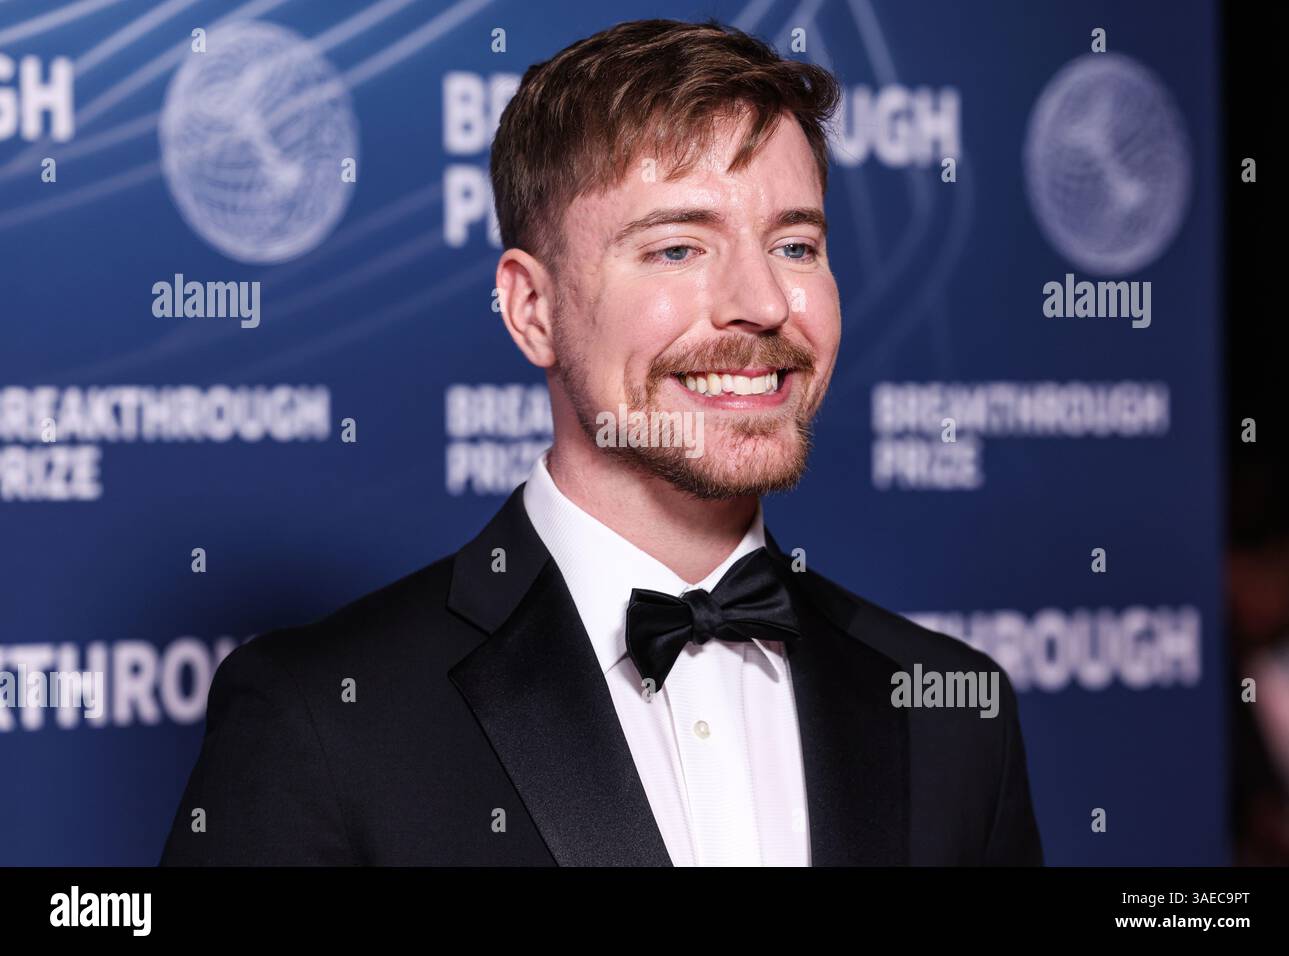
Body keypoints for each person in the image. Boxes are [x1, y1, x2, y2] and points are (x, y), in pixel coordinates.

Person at [160, 18, 1042, 867]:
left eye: (796, 244)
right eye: (676, 249)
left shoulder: (953, 711)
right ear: (532, 310)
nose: (765, 302)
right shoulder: (321, 719)